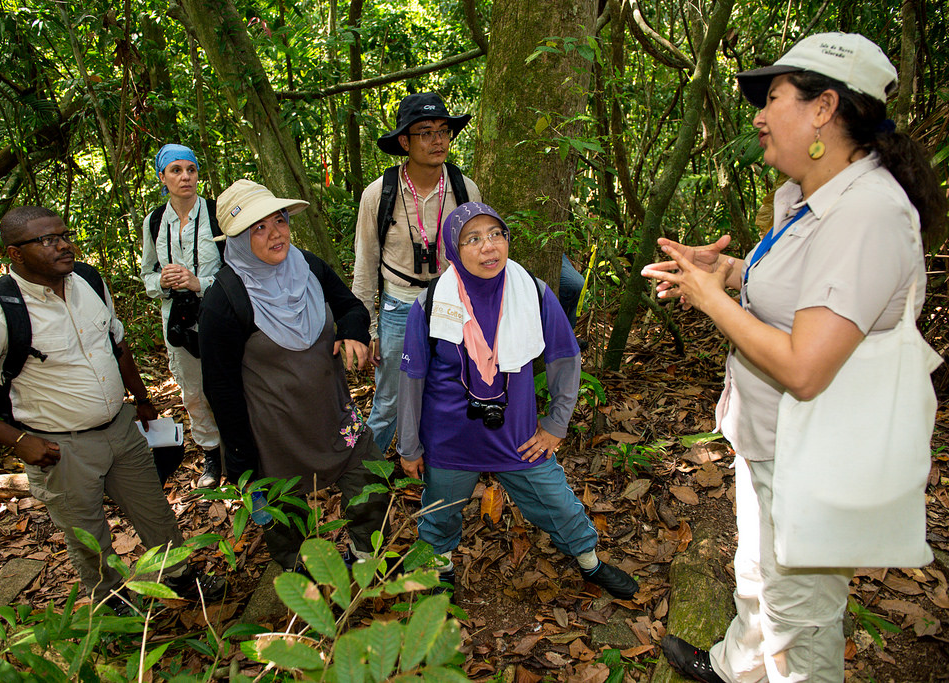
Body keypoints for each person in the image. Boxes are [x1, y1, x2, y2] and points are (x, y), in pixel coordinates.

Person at [642, 33, 947, 683]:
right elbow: (790, 290)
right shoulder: (801, 197)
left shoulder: (869, 214)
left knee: (802, 618)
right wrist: (720, 268)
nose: (757, 114)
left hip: (820, 457)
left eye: (773, 96)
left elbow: (805, 366)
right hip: (771, 439)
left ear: (823, 107)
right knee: (758, 572)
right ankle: (736, 667)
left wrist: (708, 298)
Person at [0, 206, 223, 613]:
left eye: (64, 235)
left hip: (118, 427)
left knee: (154, 511)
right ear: (15, 254)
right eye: (47, 240)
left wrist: (142, 399)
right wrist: (19, 441)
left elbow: (116, 345)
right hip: (58, 447)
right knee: (87, 533)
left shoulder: (87, 280)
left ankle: (181, 577)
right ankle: (114, 602)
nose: (64, 245)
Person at [397, 201, 639, 598]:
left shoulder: (534, 293)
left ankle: (589, 562)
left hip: (519, 436)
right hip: (449, 439)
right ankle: (439, 569)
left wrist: (556, 424)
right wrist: (410, 445)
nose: (488, 247)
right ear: (454, 250)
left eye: (496, 235)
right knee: (439, 514)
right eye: (473, 239)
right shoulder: (429, 305)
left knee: (558, 505)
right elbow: (412, 378)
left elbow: (565, 356)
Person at [199, 180, 390, 571]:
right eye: (259, 228)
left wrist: (354, 332)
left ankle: (364, 559)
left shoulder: (309, 267)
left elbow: (350, 306)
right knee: (285, 516)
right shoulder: (225, 299)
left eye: (279, 220)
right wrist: (240, 460)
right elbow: (220, 388)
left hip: (334, 414)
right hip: (275, 433)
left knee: (371, 485)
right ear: (235, 239)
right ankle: (302, 575)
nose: (276, 233)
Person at [351, 92, 482, 455]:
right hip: (399, 307)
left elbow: (480, 257)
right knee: (390, 398)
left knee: (448, 387)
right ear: (405, 141)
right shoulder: (379, 194)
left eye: (443, 130)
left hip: (450, 304)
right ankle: (366, 473)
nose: (437, 140)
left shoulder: (464, 189)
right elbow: (365, 263)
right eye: (425, 132)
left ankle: (439, 463)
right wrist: (367, 327)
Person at [140, 143, 223, 488]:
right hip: (178, 322)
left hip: (219, 316)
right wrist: (161, 281)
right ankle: (212, 454)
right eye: (176, 170)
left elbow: (241, 271)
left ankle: (241, 448)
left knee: (230, 384)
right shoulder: (155, 220)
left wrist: (198, 282)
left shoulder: (219, 212)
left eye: (190, 169)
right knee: (193, 392)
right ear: (162, 177)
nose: (185, 177)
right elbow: (146, 276)